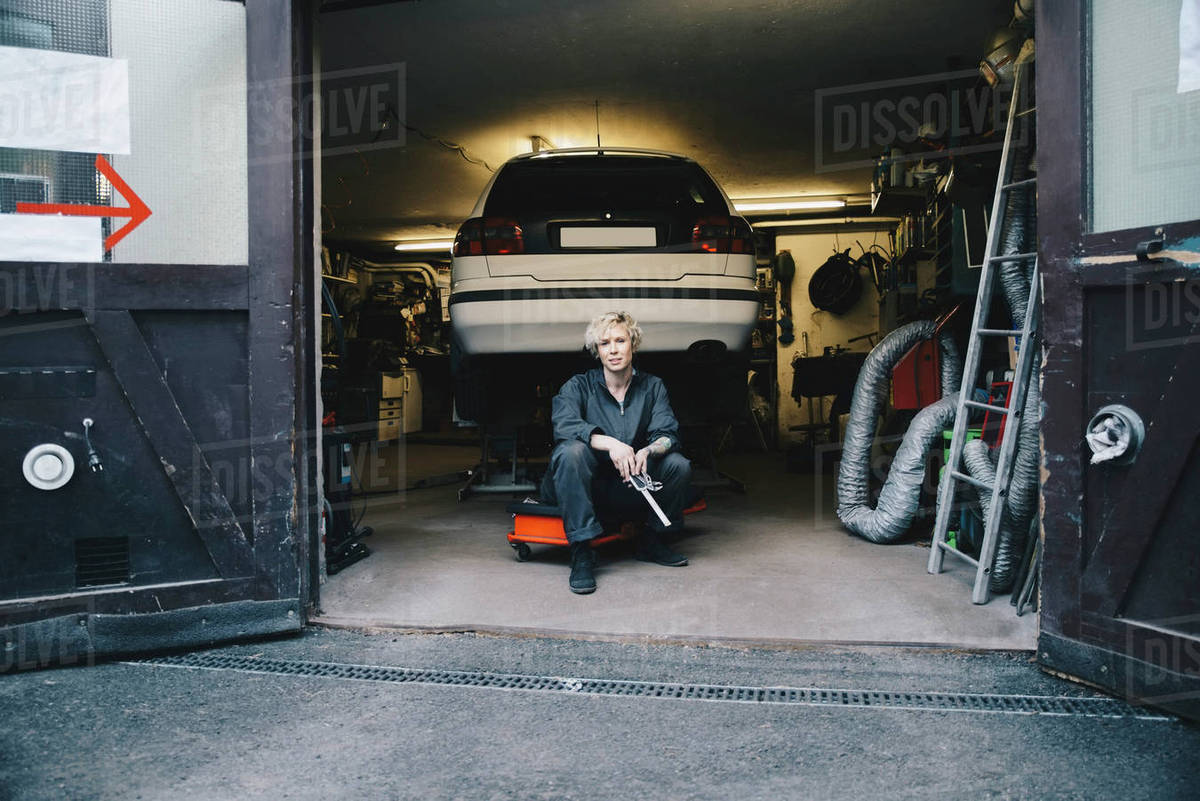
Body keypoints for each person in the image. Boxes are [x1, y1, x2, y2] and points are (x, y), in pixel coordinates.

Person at [540, 311, 693, 594]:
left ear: (633, 344)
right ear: (596, 351)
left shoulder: (653, 386)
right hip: (586, 488)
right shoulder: (578, 386)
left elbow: (668, 434)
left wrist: (648, 451)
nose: (613, 350)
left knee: (678, 465)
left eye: (620, 340)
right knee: (570, 452)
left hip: (629, 487)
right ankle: (582, 551)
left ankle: (652, 540)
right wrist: (611, 443)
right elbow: (564, 426)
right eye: (604, 343)